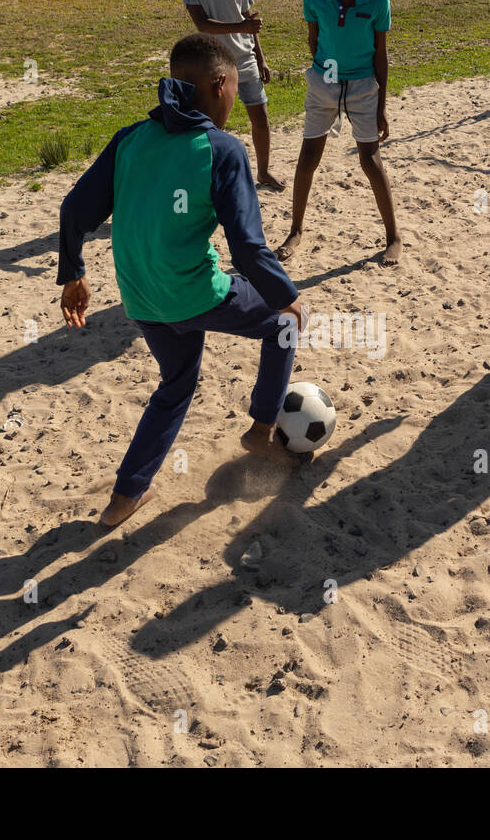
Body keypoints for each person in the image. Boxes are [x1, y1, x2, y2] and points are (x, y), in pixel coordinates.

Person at [56, 34, 308, 528]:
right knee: (283, 325)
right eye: (234, 90)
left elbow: (73, 208)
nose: (234, 102)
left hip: (141, 298)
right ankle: (261, 429)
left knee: (175, 385)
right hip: (192, 293)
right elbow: (249, 250)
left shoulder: (131, 137)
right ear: (219, 84)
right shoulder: (221, 149)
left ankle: (125, 497)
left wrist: (74, 274)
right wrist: (288, 298)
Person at [278, 0, 402, 266]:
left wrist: (381, 106)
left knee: (370, 160)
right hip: (323, 82)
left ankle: (393, 237)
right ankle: (296, 230)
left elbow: (381, 54)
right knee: (308, 158)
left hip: (364, 86)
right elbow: (313, 39)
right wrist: (328, 72)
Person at [179, 0, 285, 191]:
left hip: (246, 60)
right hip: (213, 64)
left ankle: (262, 172)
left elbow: (249, 19)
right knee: (213, 125)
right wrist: (242, 25)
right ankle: (208, 179)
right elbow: (202, 23)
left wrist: (260, 57)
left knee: (260, 117)